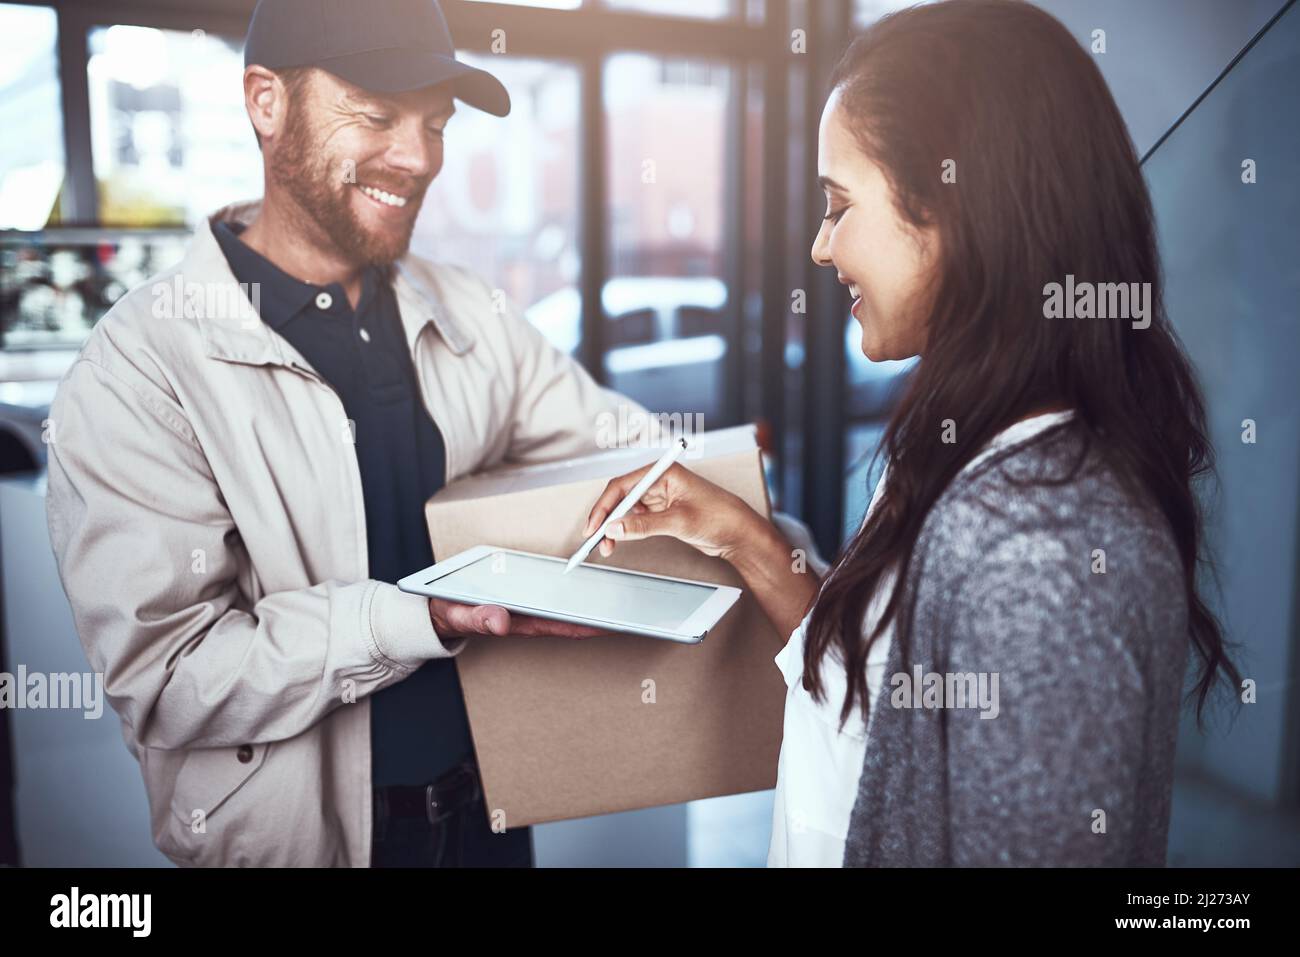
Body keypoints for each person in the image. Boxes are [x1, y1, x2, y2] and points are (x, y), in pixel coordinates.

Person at [582, 0, 1240, 867]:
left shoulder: (1035, 543)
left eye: (838, 204)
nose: (820, 247)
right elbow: (882, 697)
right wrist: (740, 535)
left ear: (955, 211)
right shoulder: (974, 454)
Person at [45, 0, 643, 868]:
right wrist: (414, 618)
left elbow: (619, 447)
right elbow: (169, 678)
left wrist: (737, 513)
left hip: (493, 820)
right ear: (265, 102)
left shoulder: (470, 310)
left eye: (435, 123)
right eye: (377, 114)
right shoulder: (143, 369)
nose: (420, 156)